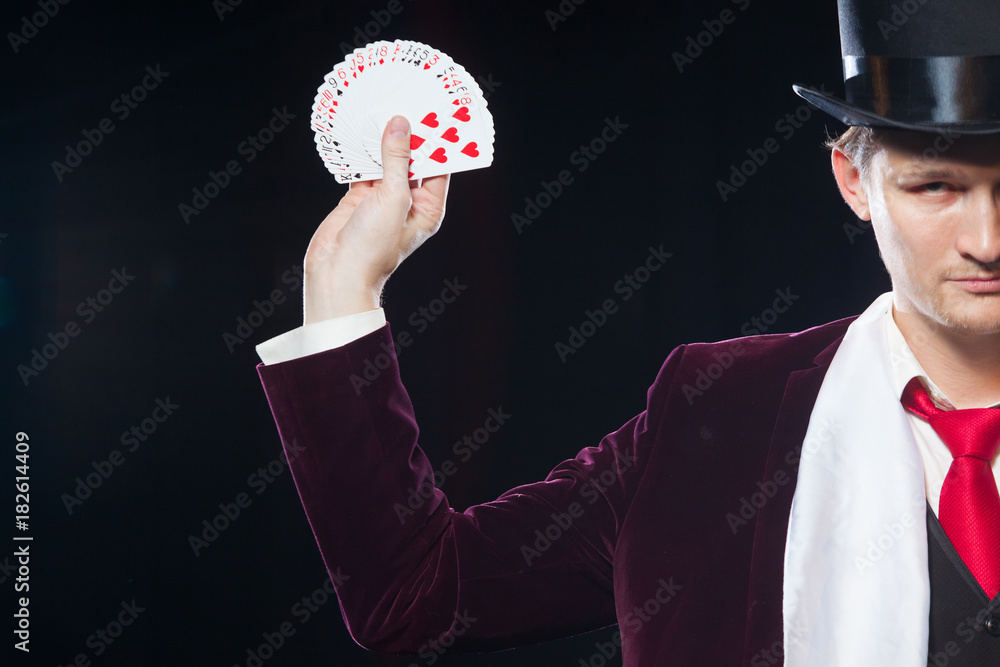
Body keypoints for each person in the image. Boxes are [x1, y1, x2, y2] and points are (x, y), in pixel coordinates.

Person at [256, 0, 1000, 664]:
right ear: (852, 180)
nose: (986, 239)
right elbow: (415, 591)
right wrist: (343, 290)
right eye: (935, 186)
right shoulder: (718, 414)